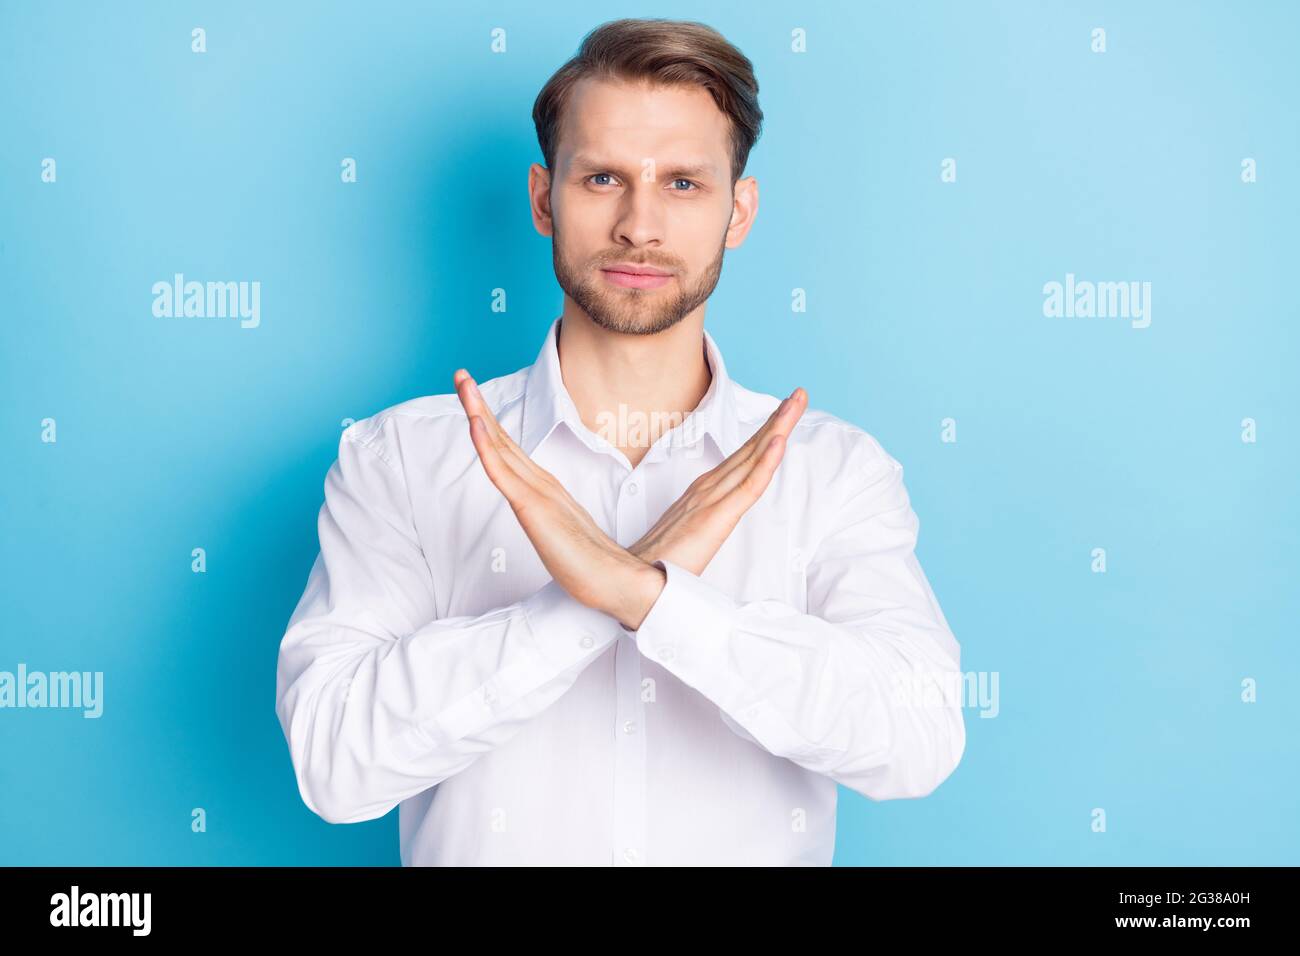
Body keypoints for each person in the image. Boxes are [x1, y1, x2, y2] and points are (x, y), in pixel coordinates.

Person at [275, 16, 965, 866]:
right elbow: (333, 765)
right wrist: (583, 605)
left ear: (737, 211)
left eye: (683, 183)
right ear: (542, 199)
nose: (640, 225)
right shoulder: (404, 459)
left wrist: (654, 600)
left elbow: (918, 735)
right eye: (603, 177)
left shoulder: (835, 472)